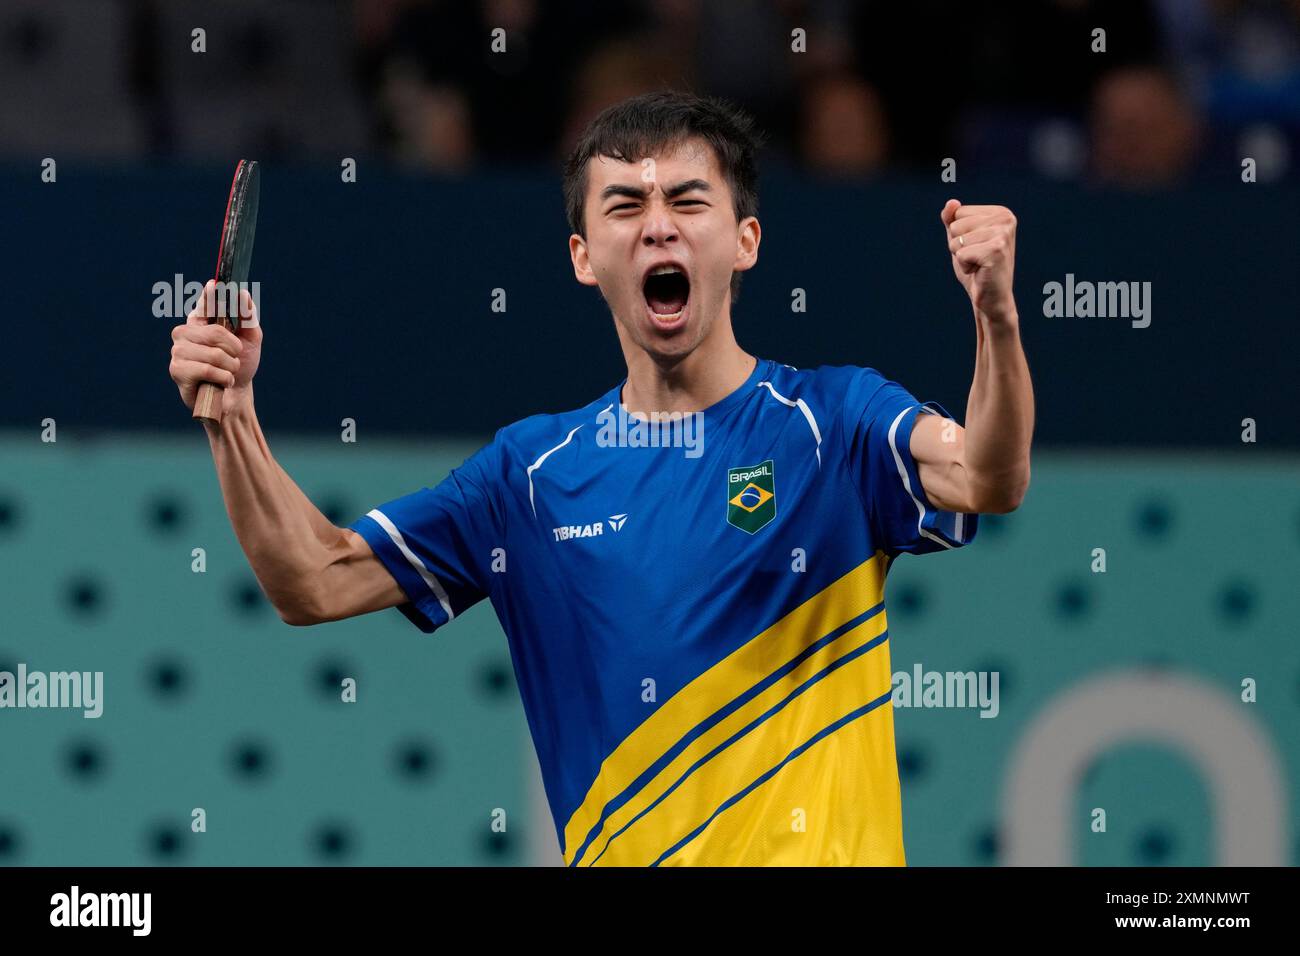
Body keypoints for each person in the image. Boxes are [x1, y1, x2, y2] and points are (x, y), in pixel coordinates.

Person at [168, 91, 1034, 866]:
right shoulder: (529, 479)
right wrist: (232, 418)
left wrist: (995, 314)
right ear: (584, 256)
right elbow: (313, 580)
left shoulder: (834, 423)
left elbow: (990, 477)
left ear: (745, 242)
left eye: (688, 200)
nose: (658, 225)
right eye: (626, 206)